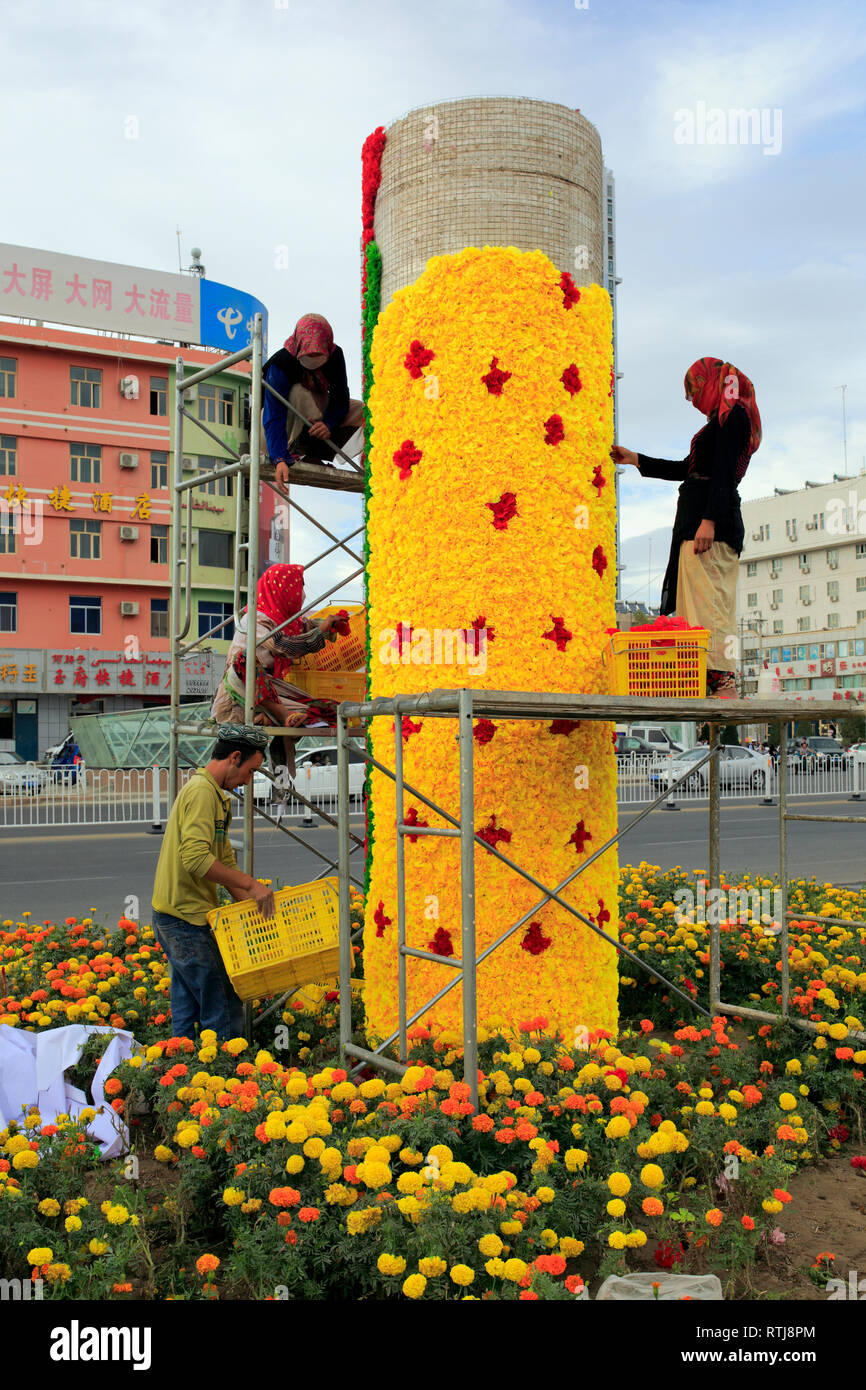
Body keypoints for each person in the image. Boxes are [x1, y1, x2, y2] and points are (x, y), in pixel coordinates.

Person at [612, 357, 762, 698]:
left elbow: (723, 471)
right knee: (696, 607)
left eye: (696, 388)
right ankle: (710, 679)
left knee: (710, 604)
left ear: (714, 382)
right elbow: (688, 468)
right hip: (696, 522)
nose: (694, 398)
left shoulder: (731, 417)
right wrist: (637, 459)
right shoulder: (717, 422)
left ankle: (722, 679)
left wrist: (708, 520)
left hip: (711, 525)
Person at [151, 724, 275, 1040]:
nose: (248, 780)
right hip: (184, 919)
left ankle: (180, 1070)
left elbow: (223, 861)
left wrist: (249, 905)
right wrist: (250, 884)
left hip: (180, 916)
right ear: (234, 757)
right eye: (250, 770)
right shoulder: (201, 792)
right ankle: (225, 1076)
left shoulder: (218, 798)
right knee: (222, 1000)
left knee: (188, 1005)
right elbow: (194, 859)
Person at [210, 563, 343, 777]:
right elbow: (286, 646)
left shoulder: (282, 620)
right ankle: (282, 715)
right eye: (298, 588)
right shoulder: (254, 619)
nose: (302, 595)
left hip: (268, 695)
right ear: (283, 590)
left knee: (324, 709)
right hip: (239, 695)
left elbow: (305, 627)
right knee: (245, 660)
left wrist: (331, 625)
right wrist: (323, 629)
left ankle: (282, 749)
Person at [263, 314, 364, 487]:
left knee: (363, 411)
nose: (313, 359)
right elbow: (274, 414)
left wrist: (328, 424)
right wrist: (278, 459)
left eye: (318, 354)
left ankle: (317, 454)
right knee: (299, 393)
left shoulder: (335, 355)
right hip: (276, 429)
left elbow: (341, 397)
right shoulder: (281, 364)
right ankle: (294, 451)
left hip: (316, 418)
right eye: (308, 354)